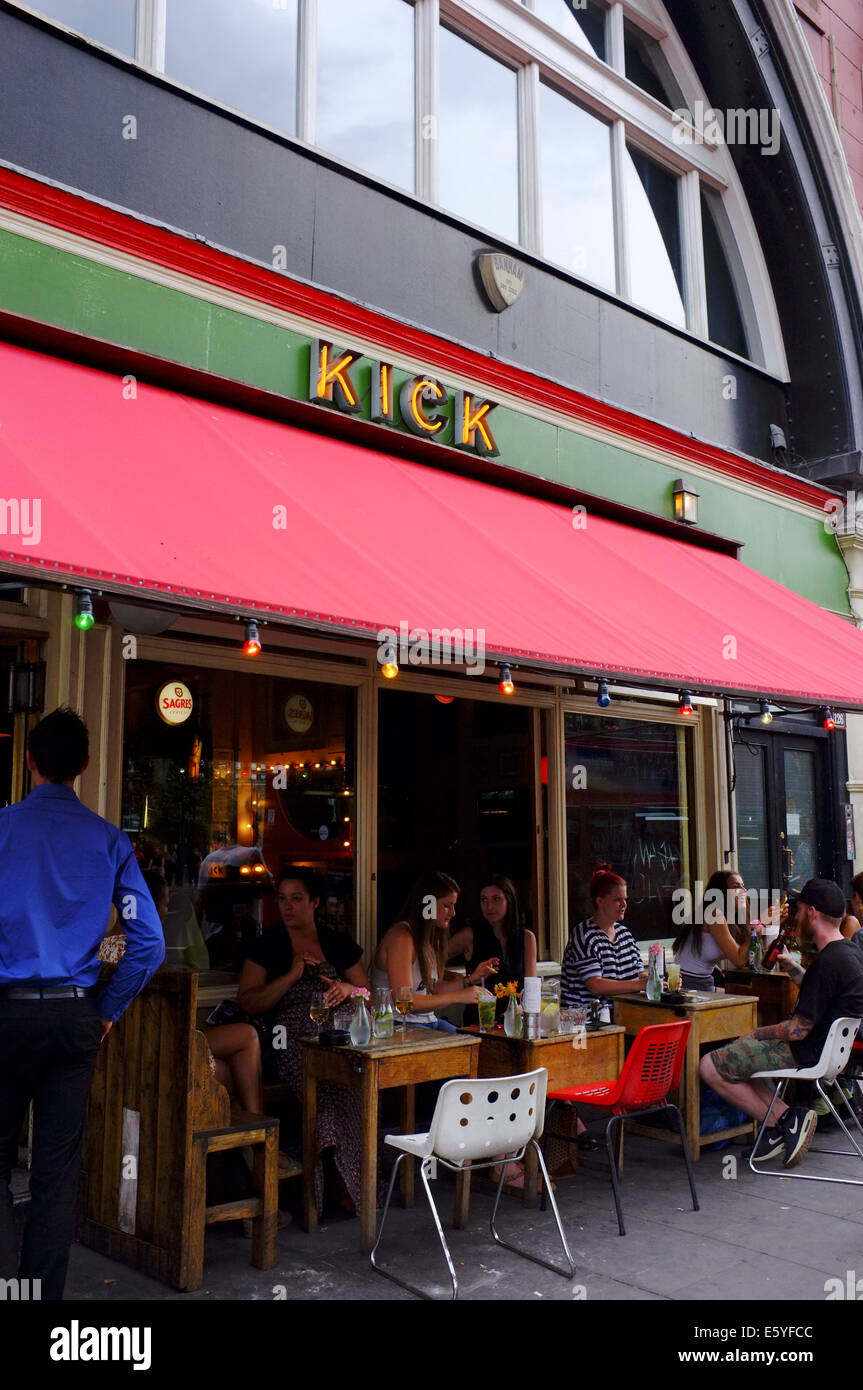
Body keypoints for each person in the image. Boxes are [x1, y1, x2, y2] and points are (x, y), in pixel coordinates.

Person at [0, 708, 165, 1300]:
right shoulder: (109, 839)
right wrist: (106, 1004)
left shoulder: (1, 829)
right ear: (86, 767)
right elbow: (146, 941)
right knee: (56, 1174)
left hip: (9, 1014)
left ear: (29, 759)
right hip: (75, 1016)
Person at [699, 879, 863, 1169]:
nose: (796, 918)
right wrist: (793, 968)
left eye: (798, 910)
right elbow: (822, 996)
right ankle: (779, 1126)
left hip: (804, 1052)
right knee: (745, 1059)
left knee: (710, 1066)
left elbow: (797, 1029)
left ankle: (787, 1118)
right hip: (828, 1053)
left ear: (812, 913)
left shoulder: (828, 962)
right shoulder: (848, 953)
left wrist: (755, 1032)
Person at [236, 867, 369, 1214]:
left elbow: (368, 993)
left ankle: (351, 1180)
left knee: (353, 1086)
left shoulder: (337, 943)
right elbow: (248, 1001)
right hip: (289, 1035)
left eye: (296, 899)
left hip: (338, 1031)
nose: (288, 906)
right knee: (323, 1094)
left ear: (315, 903)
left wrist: (348, 989)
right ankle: (327, 1189)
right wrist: (291, 975)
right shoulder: (267, 945)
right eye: (282, 899)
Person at [371, 871, 486, 1032]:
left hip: (428, 1020)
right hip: (397, 1024)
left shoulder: (429, 938)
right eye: (447, 906)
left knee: (477, 1043)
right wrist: (458, 996)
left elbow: (433, 988)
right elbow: (404, 1001)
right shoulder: (402, 937)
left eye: (454, 906)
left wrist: (468, 982)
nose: (453, 913)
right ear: (427, 904)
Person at [449, 875, 537, 1022]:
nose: (489, 907)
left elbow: (531, 989)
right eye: (484, 900)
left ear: (509, 900)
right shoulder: (470, 935)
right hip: (480, 1020)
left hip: (515, 1019)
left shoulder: (526, 938)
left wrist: (520, 1010)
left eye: (496, 899)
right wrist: (459, 979)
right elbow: (432, 961)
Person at [561, 864, 647, 1011]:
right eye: (617, 900)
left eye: (625, 899)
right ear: (599, 901)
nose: (624, 904)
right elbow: (595, 985)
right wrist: (638, 985)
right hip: (586, 1022)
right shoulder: (584, 935)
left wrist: (656, 981)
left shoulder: (625, 934)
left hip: (623, 1016)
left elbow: (639, 974)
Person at [673, 870, 761, 991]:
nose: (743, 890)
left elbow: (748, 959)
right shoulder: (715, 914)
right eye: (736, 887)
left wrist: (769, 928)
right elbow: (739, 960)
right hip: (687, 983)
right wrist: (755, 933)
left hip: (704, 981)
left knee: (753, 995)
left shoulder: (731, 919)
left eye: (743, 886)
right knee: (750, 997)